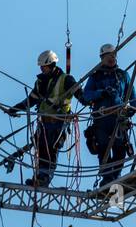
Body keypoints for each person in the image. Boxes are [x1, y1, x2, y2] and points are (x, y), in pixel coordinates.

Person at [5, 49, 81, 188]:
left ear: (52, 65)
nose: (41, 68)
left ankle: (45, 177)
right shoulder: (40, 82)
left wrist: (92, 101)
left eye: (44, 66)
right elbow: (31, 100)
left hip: (59, 122)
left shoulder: (66, 79)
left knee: (51, 149)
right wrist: (15, 109)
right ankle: (39, 176)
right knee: (41, 148)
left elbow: (80, 95)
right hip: (44, 122)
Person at [80, 43, 136, 189]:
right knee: (103, 149)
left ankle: (115, 179)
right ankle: (107, 179)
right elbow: (86, 96)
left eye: (113, 55)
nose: (111, 58)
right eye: (107, 56)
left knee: (120, 150)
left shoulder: (123, 75)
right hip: (102, 119)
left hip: (119, 118)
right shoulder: (96, 77)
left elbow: (133, 97)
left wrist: (132, 109)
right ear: (102, 58)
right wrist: (101, 93)